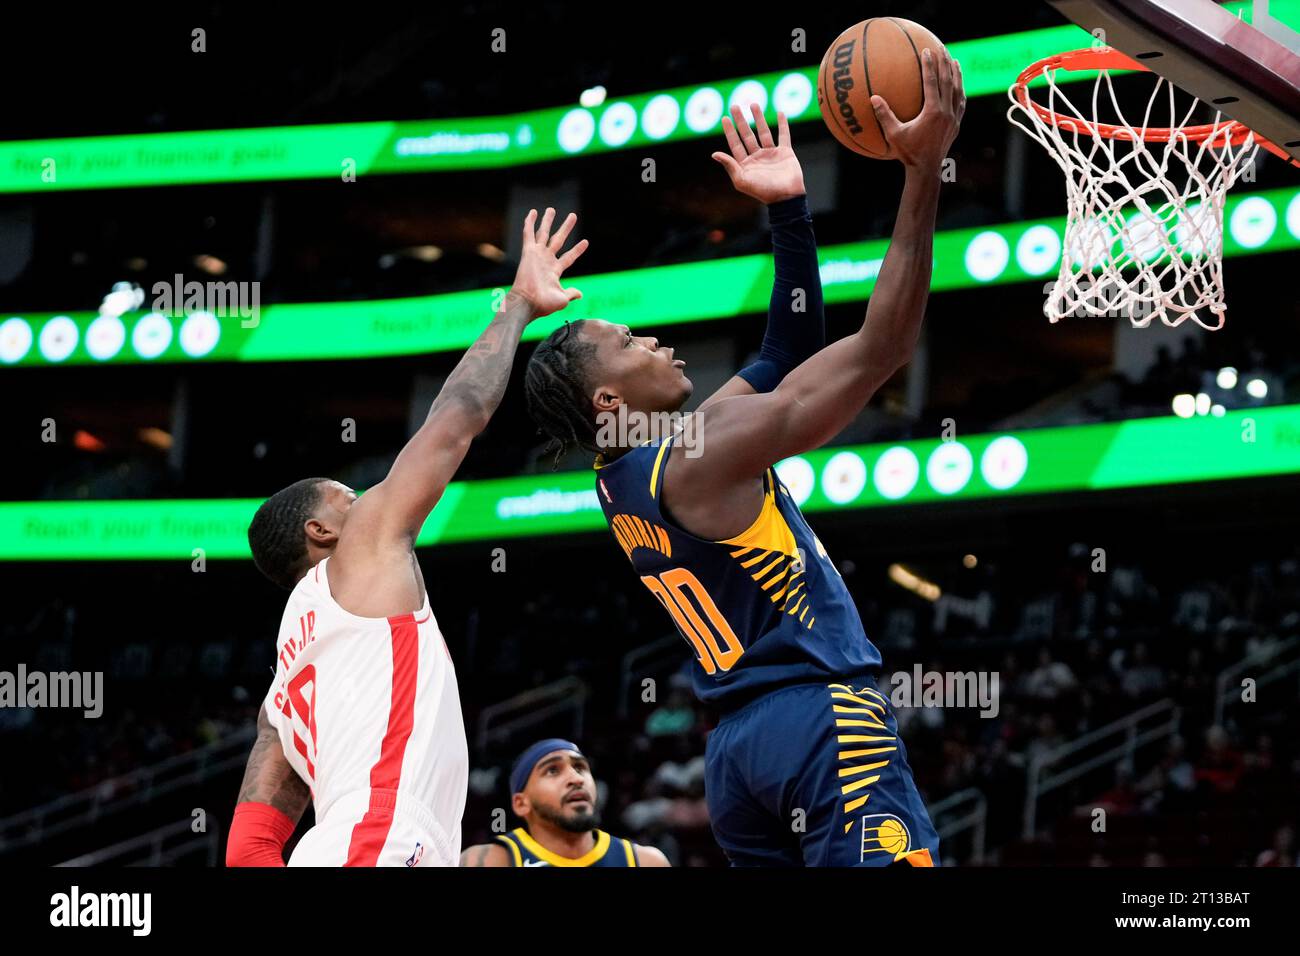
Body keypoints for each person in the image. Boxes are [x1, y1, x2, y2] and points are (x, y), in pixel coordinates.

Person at [523, 49, 964, 866]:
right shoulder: (699, 453)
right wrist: (923, 171)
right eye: (628, 343)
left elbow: (788, 346)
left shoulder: (627, 475)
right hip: (820, 724)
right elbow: (883, 347)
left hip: (738, 758)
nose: (652, 341)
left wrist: (789, 211)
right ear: (608, 404)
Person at [226, 209, 588, 867]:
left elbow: (250, 845)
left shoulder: (284, 687)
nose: (369, 503)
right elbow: (456, 419)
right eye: (351, 499)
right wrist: (518, 307)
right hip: (381, 846)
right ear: (323, 530)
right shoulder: (360, 548)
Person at [459, 739, 669, 867]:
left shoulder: (646, 862)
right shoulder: (490, 861)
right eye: (552, 770)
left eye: (580, 768)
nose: (576, 779)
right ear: (522, 803)